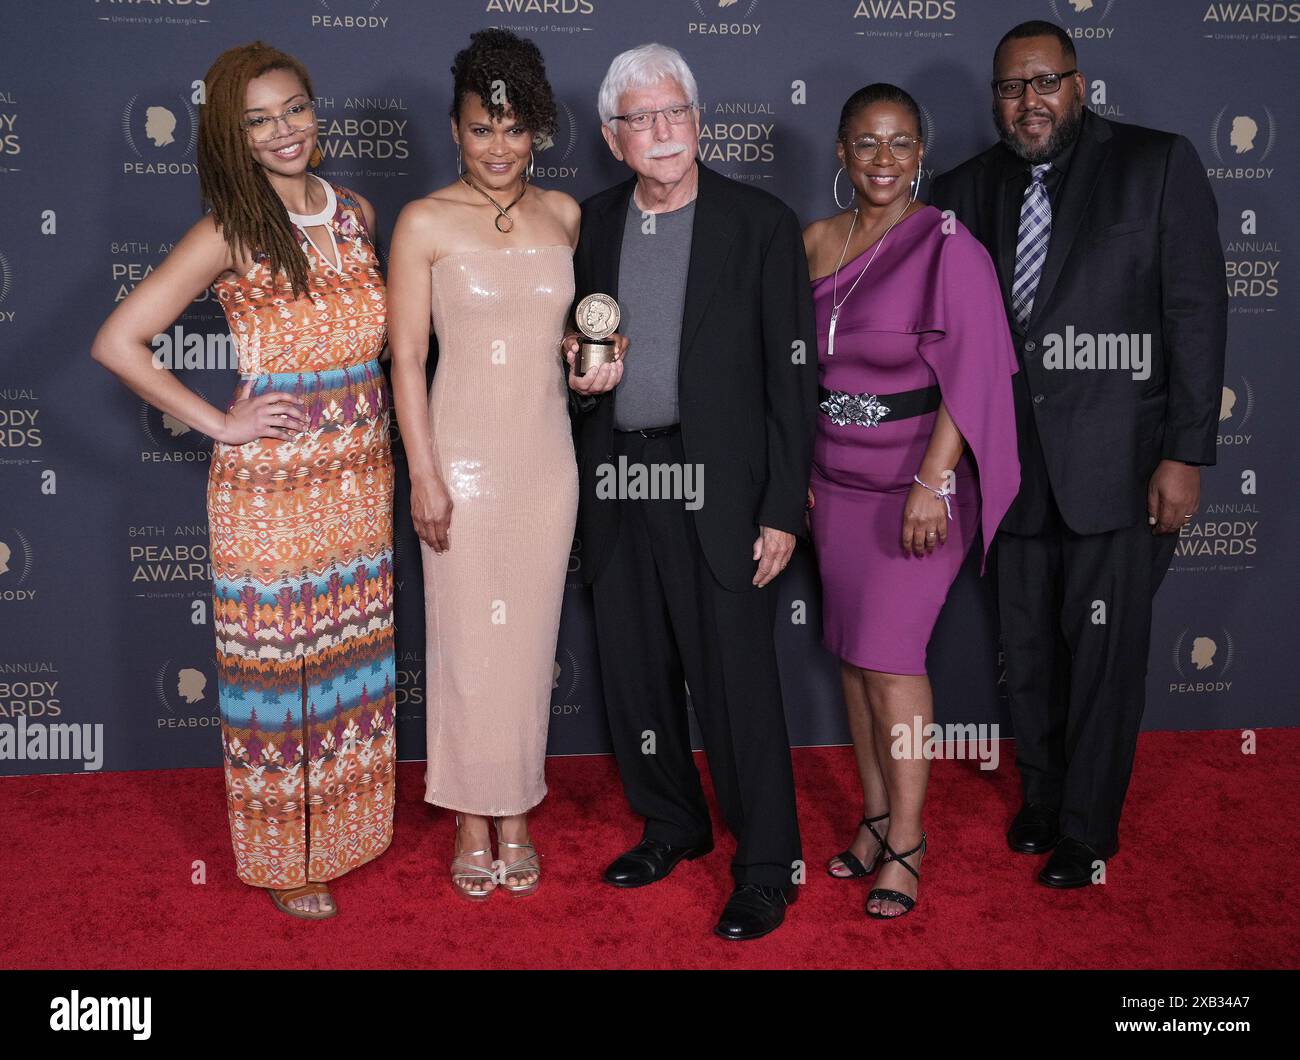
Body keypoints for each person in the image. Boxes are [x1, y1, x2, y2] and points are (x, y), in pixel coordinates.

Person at [91, 41, 396, 920]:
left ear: (314, 109)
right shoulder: (228, 227)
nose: (283, 131)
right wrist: (224, 422)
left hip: (359, 474)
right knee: (278, 671)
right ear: (233, 136)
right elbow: (118, 341)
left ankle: (347, 835)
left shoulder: (357, 214)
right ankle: (285, 860)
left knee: (346, 659)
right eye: (258, 120)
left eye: (294, 108)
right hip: (270, 490)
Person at [930, 20, 1225, 887]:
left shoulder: (1156, 164)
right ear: (995, 99)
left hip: (1121, 465)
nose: (1029, 102)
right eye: (1012, 88)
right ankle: (1045, 796)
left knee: (1103, 659)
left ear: (1078, 84)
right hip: (1009, 471)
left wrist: (1186, 453)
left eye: (1044, 82)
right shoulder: (961, 189)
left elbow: (1197, 317)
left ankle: (1088, 829)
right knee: (1028, 654)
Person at [565, 43, 816, 940]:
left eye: (675, 114)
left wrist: (784, 506)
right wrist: (576, 379)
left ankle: (765, 866)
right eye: (642, 119)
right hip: (620, 478)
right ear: (612, 136)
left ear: (698, 122)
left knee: (737, 683)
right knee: (635, 674)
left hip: (722, 487)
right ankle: (673, 823)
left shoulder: (760, 223)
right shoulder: (591, 225)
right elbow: (581, 354)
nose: (662, 133)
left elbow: (794, 380)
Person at [387, 29, 606, 900]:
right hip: (462, 464)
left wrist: (601, 357)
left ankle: (516, 810)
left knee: (528, 646)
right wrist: (426, 474)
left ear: (538, 130)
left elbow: (575, 344)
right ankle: (471, 820)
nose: (500, 148)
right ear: (454, 129)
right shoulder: (424, 222)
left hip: (546, 463)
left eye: (516, 131)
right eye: (483, 130)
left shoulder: (566, 216)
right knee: (466, 647)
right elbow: (406, 357)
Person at [802, 84, 1021, 919]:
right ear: (841, 152)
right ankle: (873, 817)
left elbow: (973, 371)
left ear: (921, 153)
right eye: (866, 143)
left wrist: (934, 482)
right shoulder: (817, 240)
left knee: (893, 663)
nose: (884, 160)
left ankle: (910, 840)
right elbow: (799, 371)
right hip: (836, 479)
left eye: (900, 143)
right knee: (856, 662)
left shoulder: (947, 244)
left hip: (915, 482)